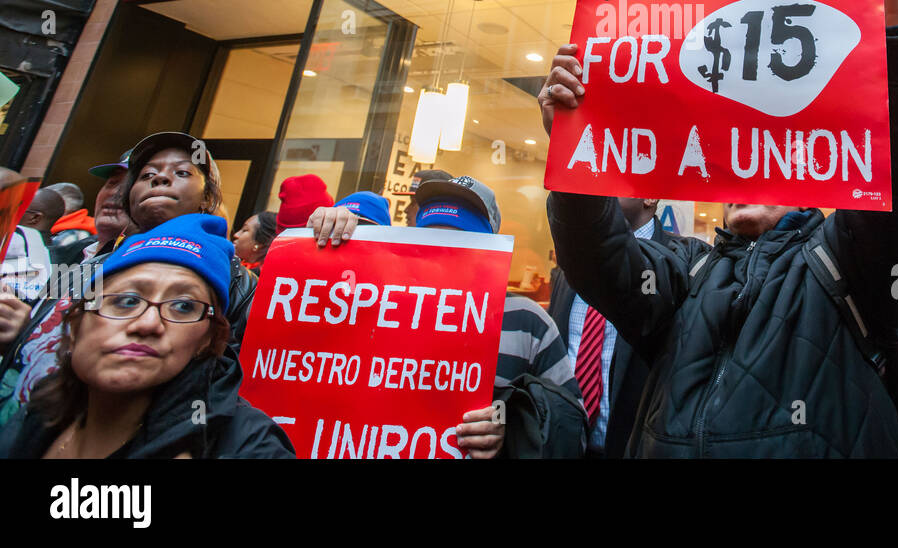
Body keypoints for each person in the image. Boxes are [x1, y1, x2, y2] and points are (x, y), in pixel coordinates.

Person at [541, 0, 898, 457]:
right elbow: (597, 257)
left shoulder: (851, 264)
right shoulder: (688, 271)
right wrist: (572, 149)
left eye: (769, 160)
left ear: (815, 180)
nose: (745, 180)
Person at [317, 173, 586, 457]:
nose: (444, 250)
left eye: (460, 239)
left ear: (487, 249)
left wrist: (507, 425)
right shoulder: (383, 306)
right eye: (433, 236)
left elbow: (570, 424)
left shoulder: (527, 321)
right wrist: (322, 238)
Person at [0, 213, 294, 458]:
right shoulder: (35, 412)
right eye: (126, 300)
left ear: (206, 340)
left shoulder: (249, 446)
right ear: (75, 323)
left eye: (183, 306)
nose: (148, 323)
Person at [547, 196, 669, 457]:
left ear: (649, 196)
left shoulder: (676, 263)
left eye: (616, 177)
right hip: (563, 445)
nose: (602, 185)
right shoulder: (571, 267)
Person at [232, 211, 277, 276]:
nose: (236, 235)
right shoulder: (236, 266)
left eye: (245, 230)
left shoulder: (258, 278)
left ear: (259, 244)